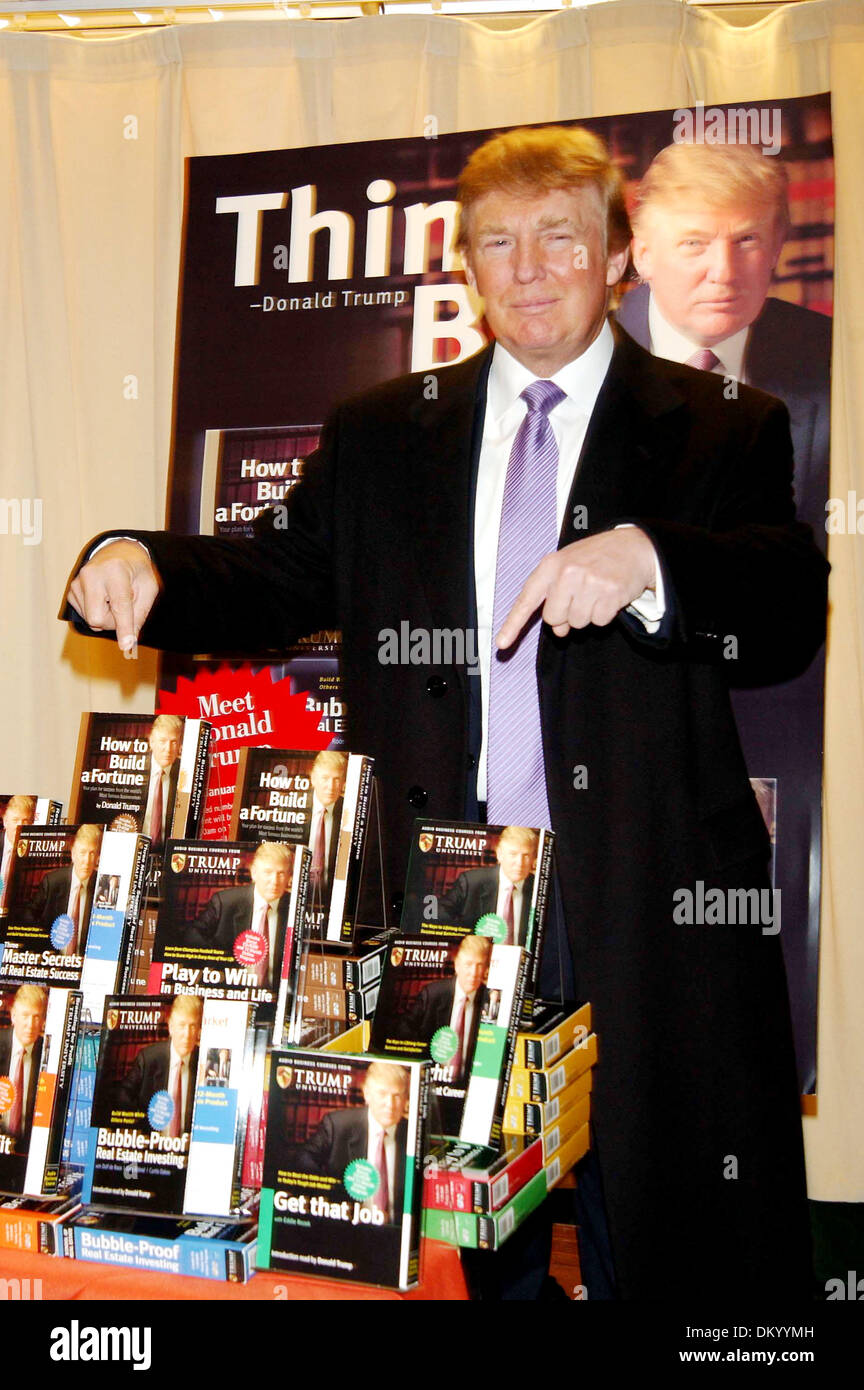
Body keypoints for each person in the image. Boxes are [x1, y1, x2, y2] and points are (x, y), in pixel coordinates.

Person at [63, 124, 828, 1301]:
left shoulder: (725, 422)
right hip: (441, 895)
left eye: (559, 237)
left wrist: (653, 559)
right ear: (466, 266)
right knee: (460, 1230)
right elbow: (278, 578)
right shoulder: (380, 431)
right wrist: (142, 562)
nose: (528, 267)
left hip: (642, 890)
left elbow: (783, 609)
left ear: (618, 257)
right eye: (498, 243)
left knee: (667, 1214)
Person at [617, 139, 831, 543]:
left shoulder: (835, 358)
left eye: (746, 240)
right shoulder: (584, 364)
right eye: (694, 243)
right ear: (643, 255)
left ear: (776, 249)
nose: (724, 272)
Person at [293, 1061, 410, 1223]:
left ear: (405, 1099)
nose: (390, 1104)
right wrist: (328, 1191)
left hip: (396, 1231)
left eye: (397, 1095)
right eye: (382, 1094)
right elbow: (302, 1157)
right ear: (367, 1094)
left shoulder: (412, 1134)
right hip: (347, 1226)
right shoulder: (338, 1125)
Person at [189, 841, 292, 989]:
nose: (274, 881)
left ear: (289, 876)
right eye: (268, 872)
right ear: (254, 873)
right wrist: (217, 967)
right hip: (230, 991)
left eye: (281, 873)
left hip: (275, 995)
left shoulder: (294, 908)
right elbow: (191, 935)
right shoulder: (226, 902)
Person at [400, 933, 491, 1082]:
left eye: (479, 965)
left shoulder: (490, 1000)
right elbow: (405, 1033)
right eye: (468, 964)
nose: (473, 973)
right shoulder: (432, 995)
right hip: (431, 1080)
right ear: (457, 965)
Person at [117, 994, 202, 1136]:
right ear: (171, 1027)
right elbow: (121, 1097)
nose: (187, 1034)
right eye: (182, 1025)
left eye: (192, 1026)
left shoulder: (204, 1062)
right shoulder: (148, 1059)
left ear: (198, 1030)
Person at [436, 825, 538, 943]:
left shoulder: (539, 888)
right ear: (500, 854)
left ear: (533, 859)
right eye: (513, 854)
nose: (520, 863)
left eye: (526, 855)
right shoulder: (471, 882)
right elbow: (439, 914)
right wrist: (468, 938)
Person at [22, 823, 101, 955]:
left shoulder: (102, 886)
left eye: (92, 853)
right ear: (73, 854)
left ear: (98, 857)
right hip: (51, 961)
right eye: (82, 853)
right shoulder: (52, 882)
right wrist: (42, 948)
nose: (86, 861)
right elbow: (28, 917)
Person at [0, 985, 47, 1142]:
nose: (31, 1025)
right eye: (25, 1015)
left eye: (36, 1017)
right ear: (13, 1016)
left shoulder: (47, 1053)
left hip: (28, 1145)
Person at [307, 750, 347, 898]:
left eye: (336, 779)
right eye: (325, 778)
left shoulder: (350, 810)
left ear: (343, 783)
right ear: (313, 779)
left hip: (333, 898)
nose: (331, 786)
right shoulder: (291, 808)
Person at [141, 714, 183, 848]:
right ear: (151, 742)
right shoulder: (133, 769)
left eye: (174, 742)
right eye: (162, 741)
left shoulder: (185, 773)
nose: (168, 749)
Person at [0, 795, 37, 904]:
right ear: (5, 821)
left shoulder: (35, 853)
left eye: (25, 821)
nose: (20, 826)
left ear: (31, 824)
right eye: (15, 820)